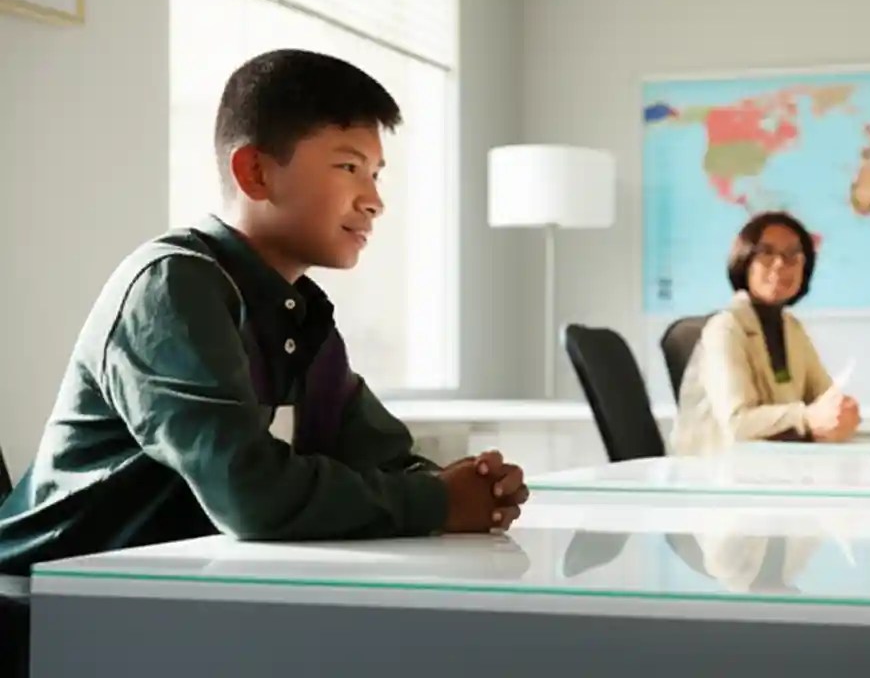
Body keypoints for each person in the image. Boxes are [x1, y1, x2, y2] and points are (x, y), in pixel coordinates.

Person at [0, 49, 529, 578]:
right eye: (348, 166)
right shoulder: (173, 286)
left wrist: (469, 484)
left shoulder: (301, 315)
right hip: (41, 604)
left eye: (376, 173)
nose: (374, 201)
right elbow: (250, 493)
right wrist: (437, 501)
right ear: (255, 172)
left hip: (161, 594)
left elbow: (382, 456)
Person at [671, 211, 860, 455]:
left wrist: (840, 412)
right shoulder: (725, 328)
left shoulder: (791, 327)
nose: (781, 263)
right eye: (767, 252)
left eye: (793, 255)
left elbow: (823, 398)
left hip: (774, 467)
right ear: (745, 260)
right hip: (716, 473)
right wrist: (807, 418)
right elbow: (737, 423)